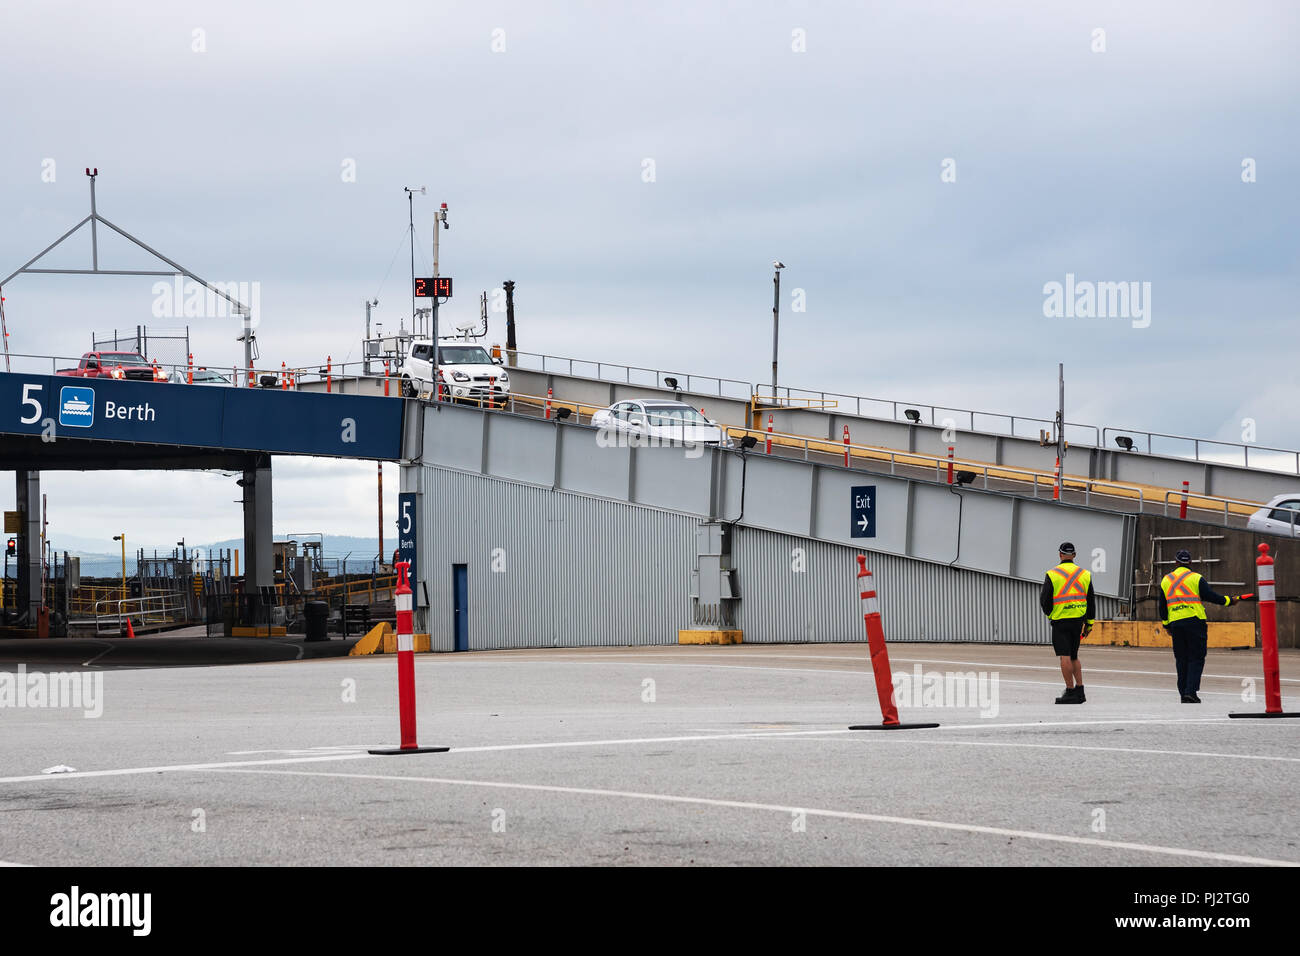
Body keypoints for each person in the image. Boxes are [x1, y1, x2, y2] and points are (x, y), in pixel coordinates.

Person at [1158, 549, 1236, 703]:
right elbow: (1211, 597)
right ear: (1191, 563)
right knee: (1196, 658)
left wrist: (1167, 625)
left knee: (1181, 659)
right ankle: (1190, 692)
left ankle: (1183, 692)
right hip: (1195, 622)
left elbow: (1162, 606)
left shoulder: (1166, 580)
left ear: (1176, 562)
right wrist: (1229, 601)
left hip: (1176, 624)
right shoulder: (1196, 578)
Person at [1040, 542, 1095, 704]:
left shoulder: (1052, 574)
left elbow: (1044, 600)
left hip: (1061, 620)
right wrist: (1089, 623)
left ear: (1060, 555)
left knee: (1064, 656)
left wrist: (1052, 614)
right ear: (1075, 555)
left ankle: (1070, 691)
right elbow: (1091, 601)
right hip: (1078, 620)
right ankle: (1080, 690)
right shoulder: (1085, 574)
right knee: (1074, 656)